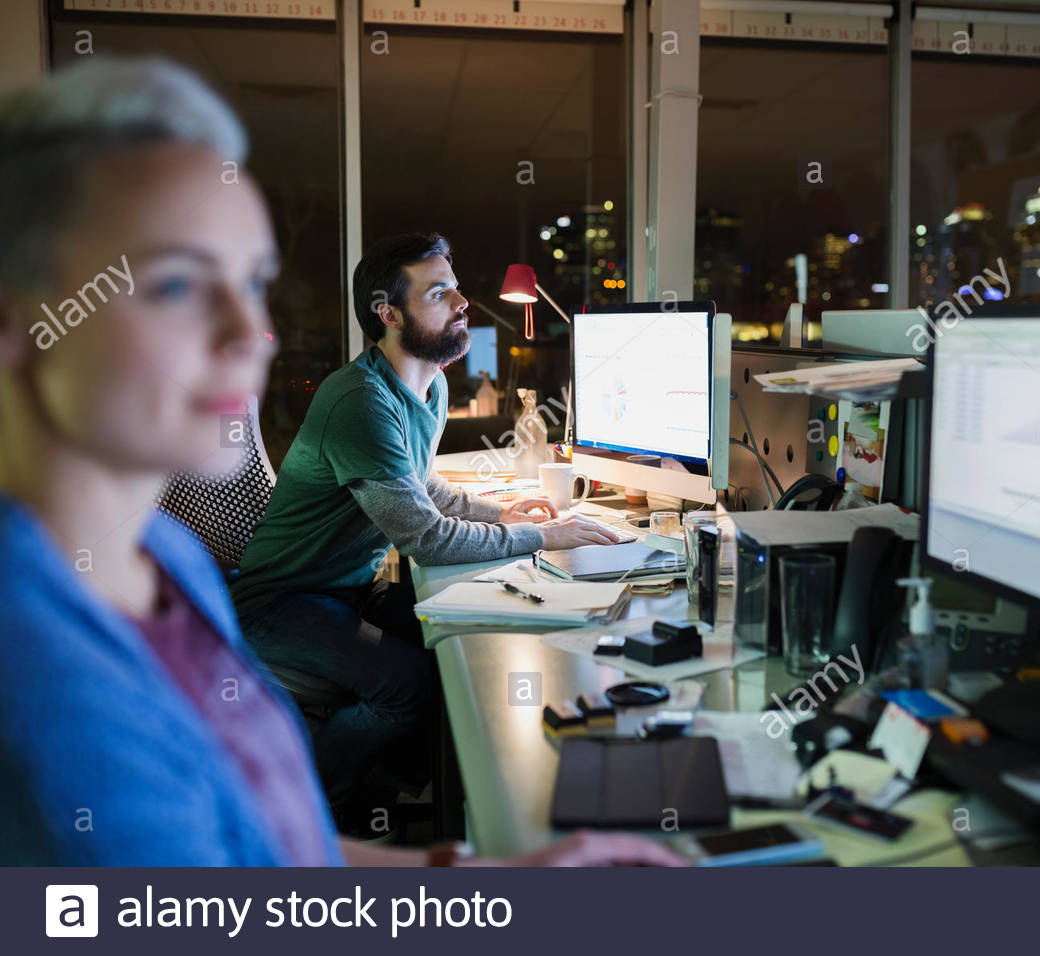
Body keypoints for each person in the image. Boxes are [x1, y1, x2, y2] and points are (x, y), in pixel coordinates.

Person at [0, 55, 678, 868]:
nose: (253, 336)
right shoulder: (39, 680)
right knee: (419, 685)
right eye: (177, 284)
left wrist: (483, 874)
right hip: (295, 599)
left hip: (337, 591)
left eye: (254, 284)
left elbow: (268, 850)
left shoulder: (166, 563)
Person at [230, 232, 623, 817]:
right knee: (408, 687)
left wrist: (501, 513)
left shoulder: (430, 383)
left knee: (453, 656)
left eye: (456, 288)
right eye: (439, 293)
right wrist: (545, 535)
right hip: (281, 601)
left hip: (347, 590)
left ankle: (413, 802)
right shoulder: (359, 402)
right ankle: (310, 806)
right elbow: (428, 539)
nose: (463, 303)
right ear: (388, 314)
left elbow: (420, 484)